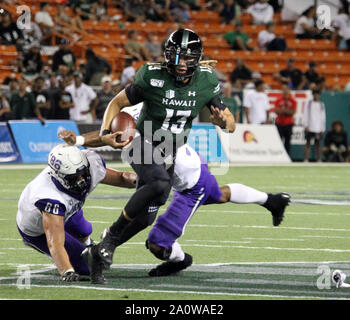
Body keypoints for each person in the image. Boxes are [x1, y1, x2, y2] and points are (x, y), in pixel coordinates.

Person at [63, 28, 236, 284]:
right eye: (173, 56)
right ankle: (111, 237)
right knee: (160, 184)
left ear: (196, 58)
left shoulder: (207, 81)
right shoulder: (151, 76)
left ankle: (96, 254)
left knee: (147, 216)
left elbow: (230, 122)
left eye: (185, 58)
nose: (177, 64)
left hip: (169, 151)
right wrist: (105, 132)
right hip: (140, 141)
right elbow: (116, 103)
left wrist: (224, 122)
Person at [143, 143, 290, 276]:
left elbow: (158, 187)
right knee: (219, 195)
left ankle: (180, 260)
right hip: (193, 161)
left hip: (190, 182)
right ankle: (271, 201)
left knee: (157, 241)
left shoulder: (134, 130)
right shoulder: (143, 125)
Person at [16, 143, 136, 282]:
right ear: (59, 176)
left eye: (82, 173)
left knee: (84, 230)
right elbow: (55, 243)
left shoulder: (90, 165)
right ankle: (74, 256)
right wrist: (67, 272)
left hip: (68, 210)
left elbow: (121, 177)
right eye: (74, 178)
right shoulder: (49, 197)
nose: (81, 180)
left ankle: (87, 245)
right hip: (38, 229)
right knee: (89, 266)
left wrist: (144, 182)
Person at [303, 89, 326, 162]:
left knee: (318, 144)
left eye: (317, 94)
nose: (316, 96)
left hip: (318, 128)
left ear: (319, 95)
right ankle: (306, 159)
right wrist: (306, 125)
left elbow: (323, 117)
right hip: (310, 127)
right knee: (308, 143)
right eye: (315, 94)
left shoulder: (321, 104)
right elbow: (305, 114)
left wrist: (322, 128)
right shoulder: (308, 103)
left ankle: (319, 159)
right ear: (312, 95)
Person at [273, 84, 297, 155]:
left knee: (287, 141)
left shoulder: (293, 101)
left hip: (289, 123)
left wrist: (282, 111)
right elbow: (277, 111)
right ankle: (278, 155)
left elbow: (292, 112)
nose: (285, 91)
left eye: (286, 90)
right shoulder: (278, 99)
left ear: (289, 90)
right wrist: (286, 111)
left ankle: (287, 155)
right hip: (279, 122)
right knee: (278, 140)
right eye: (283, 90)